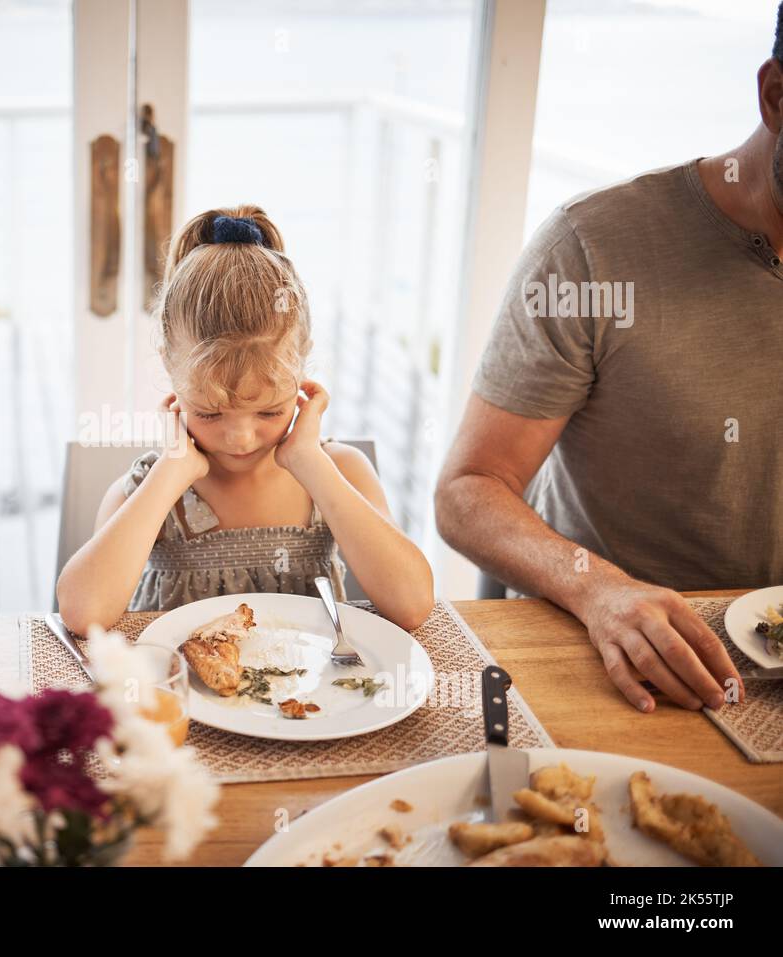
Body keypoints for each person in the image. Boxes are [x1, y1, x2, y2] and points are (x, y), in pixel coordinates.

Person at [434, 12, 783, 713]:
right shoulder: (595, 248)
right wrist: (599, 588)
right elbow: (469, 490)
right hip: (627, 674)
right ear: (775, 94)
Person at [57, 206, 434, 634]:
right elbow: (82, 614)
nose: (239, 437)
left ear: (303, 369)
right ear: (169, 367)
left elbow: (412, 605)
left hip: (310, 699)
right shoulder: (149, 489)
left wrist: (311, 464)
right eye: (210, 412)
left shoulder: (340, 471)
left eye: (270, 411)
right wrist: (171, 472)